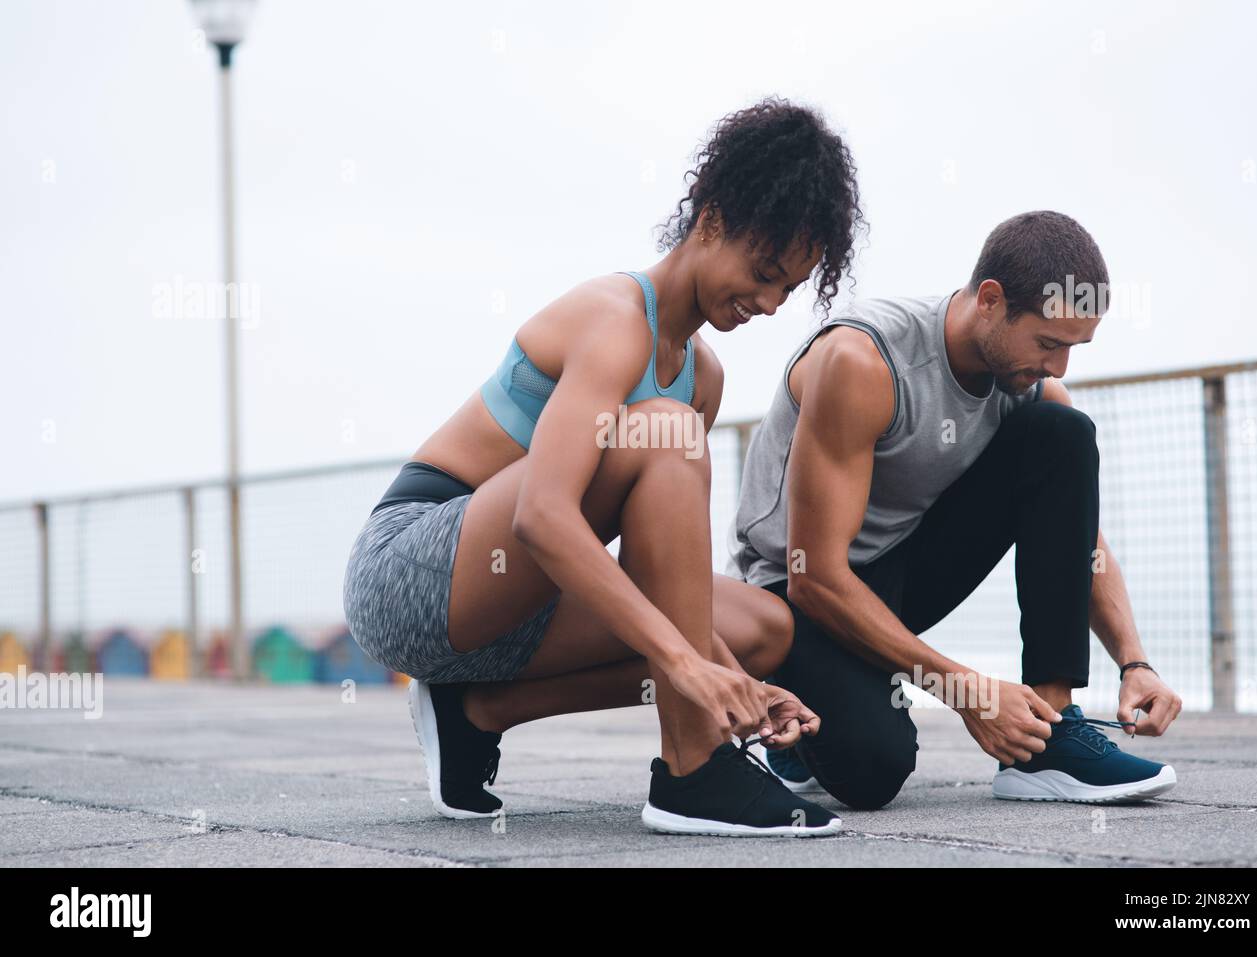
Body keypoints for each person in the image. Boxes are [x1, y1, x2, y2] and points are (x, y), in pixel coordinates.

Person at [344, 97, 867, 836]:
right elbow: (544, 516)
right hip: (418, 570)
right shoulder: (615, 318)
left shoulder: (703, 378)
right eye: (764, 271)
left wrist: (737, 681)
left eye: (789, 287)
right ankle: (693, 773)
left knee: (763, 628)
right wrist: (686, 670)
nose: (772, 302)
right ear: (712, 220)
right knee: (665, 434)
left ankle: (473, 711)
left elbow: (651, 569)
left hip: (521, 600)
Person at [728, 210, 1183, 808]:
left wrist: (1134, 662)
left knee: (1062, 431)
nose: (1059, 366)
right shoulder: (864, 360)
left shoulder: (1031, 386)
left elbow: (1083, 547)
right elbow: (815, 578)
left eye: (1074, 347)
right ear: (990, 301)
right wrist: (965, 688)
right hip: (796, 592)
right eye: (1048, 343)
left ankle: (1048, 732)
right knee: (871, 771)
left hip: (900, 571)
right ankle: (794, 739)